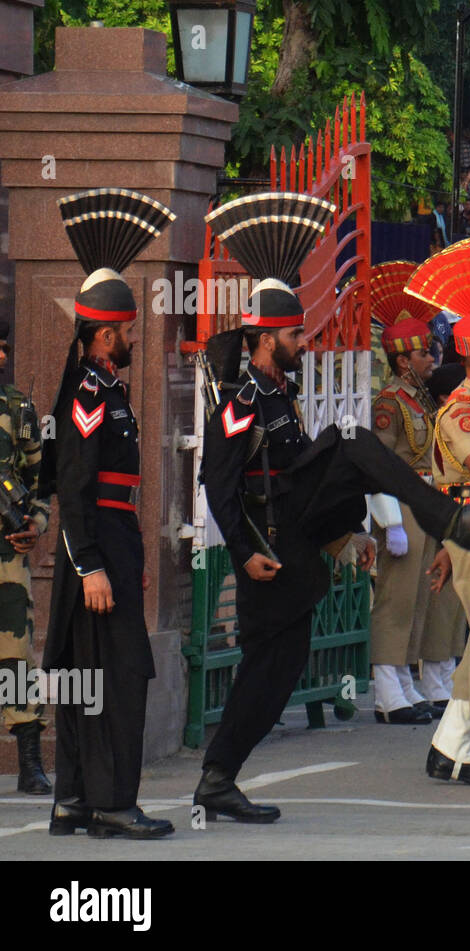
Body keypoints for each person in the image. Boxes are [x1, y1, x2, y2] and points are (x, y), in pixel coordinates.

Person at [195, 193, 470, 821]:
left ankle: (217, 778)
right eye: (291, 335)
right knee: (268, 672)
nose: (300, 343)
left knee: (276, 673)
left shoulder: (277, 394)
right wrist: (243, 550)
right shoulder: (239, 400)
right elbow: (217, 482)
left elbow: (302, 471)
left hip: (297, 536)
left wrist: (344, 533)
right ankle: (216, 776)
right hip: (270, 546)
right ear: (264, 340)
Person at [43, 187, 176, 839]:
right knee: (118, 678)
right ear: (103, 332)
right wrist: (92, 564)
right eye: (124, 329)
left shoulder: (102, 389)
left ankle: (73, 799)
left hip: (109, 546)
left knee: (84, 676)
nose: (131, 337)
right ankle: (112, 802)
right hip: (94, 550)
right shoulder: (89, 393)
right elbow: (72, 484)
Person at [368, 316, 455, 725]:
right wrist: (389, 519)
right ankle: (386, 685)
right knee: (398, 598)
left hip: (427, 500)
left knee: (424, 597)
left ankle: (404, 680)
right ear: (403, 362)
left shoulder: (420, 400)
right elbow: (379, 463)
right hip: (402, 502)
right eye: (424, 353)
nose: (432, 359)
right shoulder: (389, 403)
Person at [0, 327, 52, 794]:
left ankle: (30, 764)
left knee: (15, 656)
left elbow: (39, 482)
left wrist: (34, 524)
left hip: (5, 555)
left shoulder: (18, 410)